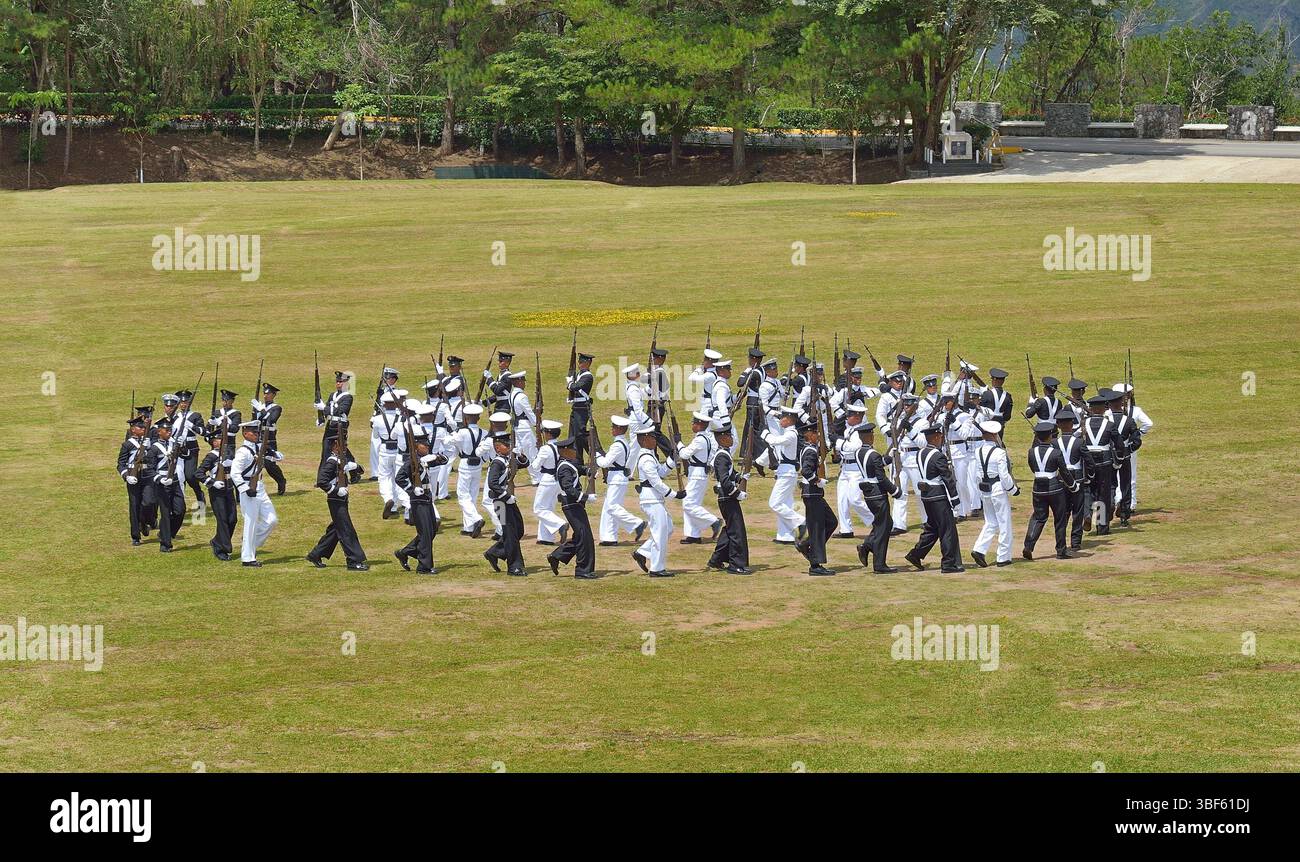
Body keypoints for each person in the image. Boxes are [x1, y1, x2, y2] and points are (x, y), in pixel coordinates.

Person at [903, 422, 965, 573]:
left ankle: (916, 554)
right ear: (936, 437)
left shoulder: (920, 453)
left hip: (926, 495)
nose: (942, 439)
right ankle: (949, 563)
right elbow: (948, 479)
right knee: (947, 529)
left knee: (932, 528)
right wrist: (955, 499)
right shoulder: (938, 456)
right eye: (940, 436)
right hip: (938, 496)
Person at [632, 423, 686, 577]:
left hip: (655, 499)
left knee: (667, 528)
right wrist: (674, 494)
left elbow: (661, 472)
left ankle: (642, 552)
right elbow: (656, 482)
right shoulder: (646, 459)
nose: (655, 440)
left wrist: (670, 458)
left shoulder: (650, 455)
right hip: (651, 499)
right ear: (644, 439)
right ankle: (657, 568)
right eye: (653, 437)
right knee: (659, 532)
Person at [307, 436, 368, 571]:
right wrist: (335, 490)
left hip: (342, 499)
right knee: (346, 530)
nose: (345, 448)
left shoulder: (341, 461)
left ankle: (316, 554)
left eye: (346, 445)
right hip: (336, 499)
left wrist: (356, 466)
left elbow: (361, 471)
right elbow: (321, 481)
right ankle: (353, 561)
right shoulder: (331, 462)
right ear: (334, 447)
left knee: (336, 529)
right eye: (342, 445)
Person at [1023, 420, 1075, 560]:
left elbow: (1033, 468)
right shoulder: (1056, 453)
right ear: (1050, 436)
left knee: (1038, 518)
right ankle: (1061, 550)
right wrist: (1073, 486)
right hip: (1055, 489)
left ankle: (1028, 546)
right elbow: (1064, 472)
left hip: (1038, 488)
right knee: (1060, 519)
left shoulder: (1031, 452)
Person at [970, 420, 1019, 568]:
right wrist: (1013, 489)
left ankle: (979, 549)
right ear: (995, 434)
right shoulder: (999, 453)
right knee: (1004, 523)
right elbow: (1004, 476)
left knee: (990, 521)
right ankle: (1003, 556)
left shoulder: (978, 450)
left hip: (984, 488)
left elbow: (977, 473)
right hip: (997, 488)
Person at [395, 434, 445, 575]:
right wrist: (412, 490)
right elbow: (399, 478)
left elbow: (443, 460)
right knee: (425, 533)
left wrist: (437, 457)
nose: (427, 447)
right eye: (425, 445)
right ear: (417, 446)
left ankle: (405, 552)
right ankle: (424, 566)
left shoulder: (424, 460)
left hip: (427, 498)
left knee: (432, 529)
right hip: (418, 500)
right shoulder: (412, 461)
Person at [853, 423, 901, 573]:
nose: (873, 436)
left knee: (885, 523)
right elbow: (881, 477)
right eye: (872, 435)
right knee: (882, 527)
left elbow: (874, 465)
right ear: (868, 436)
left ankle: (867, 545)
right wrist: (895, 491)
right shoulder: (873, 454)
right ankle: (879, 564)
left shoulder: (859, 452)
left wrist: (888, 458)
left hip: (868, 492)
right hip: (878, 493)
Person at [548, 437, 598, 579]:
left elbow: (577, 469)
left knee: (580, 536)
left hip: (574, 505)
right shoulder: (564, 468)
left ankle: (556, 556)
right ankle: (583, 570)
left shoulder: (567, 464)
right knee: (584, 537)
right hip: (572, 505)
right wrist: (585, 497)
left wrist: (588, 470)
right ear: (564, 451)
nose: (575, 451)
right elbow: (568, 488)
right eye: (572, 449)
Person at [230, 419, 278, 567]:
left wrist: (272, 452)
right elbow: (234, 473)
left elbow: (279, 457)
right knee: (250, 523)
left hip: (260, 487)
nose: (256, 434)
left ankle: (250, 544)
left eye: (258, 432)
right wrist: (244, 489)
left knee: (272, 520)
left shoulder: (259, 448)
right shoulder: (243, 452)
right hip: (248, 488)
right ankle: (247, 558)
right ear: (245, 433)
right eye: (253, 432)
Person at [595, 415, 646, 546]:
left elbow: (605, 463)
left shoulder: (617, 445)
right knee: (609, 508)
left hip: (617, 478)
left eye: (613, 427)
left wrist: (597, 456)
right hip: (617, 478)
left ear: (618, 429)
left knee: (612, 507)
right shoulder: (624, 442)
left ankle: (637, 523)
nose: (611, 429)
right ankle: (609, 537)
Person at [707, 423, 750, 574]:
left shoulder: (724, 454)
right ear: (721, 438)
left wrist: (740, 476)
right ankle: (735, 564)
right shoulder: (722, 456)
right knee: (736, 531)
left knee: (730, 529)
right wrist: (737, 493)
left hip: (727, 497)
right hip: (727, 497)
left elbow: (729, 475)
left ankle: (717, 559)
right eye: (729, 436)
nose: (731, 438)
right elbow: (724, 481)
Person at [795, 420, 837, 576]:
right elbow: (806, 471)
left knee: (831, 521)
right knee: (818, 528)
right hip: (812, 493)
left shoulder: (811, 449)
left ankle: (806, 544)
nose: (818, 435)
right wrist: (818, 481)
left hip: (814, 494)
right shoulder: (810, 451)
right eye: (815, 433)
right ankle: (815, 565)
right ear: (809, 435)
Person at [484, 432, 528, 576]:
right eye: (506, 445)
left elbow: (525, 463)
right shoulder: (497, 463)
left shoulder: (507, 459)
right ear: (497, 448)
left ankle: (495, 552)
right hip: (500, 502)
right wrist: (505, 495)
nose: (509, 447)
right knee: (510, 533)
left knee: (518, 529)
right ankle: (514, 566)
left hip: (507, 500)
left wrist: (520, 455)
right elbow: (492, 483)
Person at [677, 410, 721, 544]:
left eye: (694, 423)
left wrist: (678, 443)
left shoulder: (700, 440)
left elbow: (684, 454)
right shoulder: (707, 439)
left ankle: (713, 521)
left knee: (688, 504)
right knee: (693, 504)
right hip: (697, 473)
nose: (692, 425)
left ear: (700, 425)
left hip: (697, 474)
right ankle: (693, 534)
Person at [1081, 394, 1122, 535]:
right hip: (1104, 461)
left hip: (1088, 461)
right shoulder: (1109, 425)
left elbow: (1075, 438)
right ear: (1104, 409)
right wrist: (1119, 460)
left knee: (1087, 489)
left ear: (1091, 409)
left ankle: (1087, 514)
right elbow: (1119, 445)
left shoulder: (1083, 423)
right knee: (1103, 493)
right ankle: (1101, 526)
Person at [450, 403, 492, 536]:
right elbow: (486, 455)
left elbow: (450, 442)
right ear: (478, 418)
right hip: (478, 465)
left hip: (465, 464)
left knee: (462, 495)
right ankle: (469, 527)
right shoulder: (484, 432)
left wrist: (454, 432)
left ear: (466, 418)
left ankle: (476, 519)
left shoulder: (462, 432)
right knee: (472, 496)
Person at [833, 403, 873, 538]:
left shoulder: (860, 432)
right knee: (842, 499)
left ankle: (878, 521)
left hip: (856, 469)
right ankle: (845, 529)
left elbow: (854, 447)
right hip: (845, 468)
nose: (846, 417)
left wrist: (838, 443)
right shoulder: (848, 430)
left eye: (849, 415)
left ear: (857, 417)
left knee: (854, 499)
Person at [1111, 382, 1152, 510]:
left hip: (1111, 449)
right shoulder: (1136, 410)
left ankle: (1117, 499)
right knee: (1130, 476)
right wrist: (1138, 434)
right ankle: (1131, 503)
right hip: (1128, 448)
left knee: (1113, 476)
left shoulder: (1108, 413)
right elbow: (1148, 424)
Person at [197, 433, 237, 561]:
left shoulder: (229, 453)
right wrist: (212, 482)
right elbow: (199, 473)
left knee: (232, 519)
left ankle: (217, 541)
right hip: (217, 491)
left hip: (229, 489)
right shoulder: (211, 456)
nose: (222, 441)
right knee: (223, 519)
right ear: (214, 443)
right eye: (219, 439)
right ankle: (222, 548)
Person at [149, 417, 187, 553]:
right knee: (165, 513)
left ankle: (169, 533)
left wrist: (182, 446)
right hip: (162, 483)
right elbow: (150, 469)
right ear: (159, 431)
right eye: (166, 430)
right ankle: (165, 544)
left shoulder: (174, 444)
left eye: (170, 430)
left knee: (180, 509)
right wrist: (159, 478)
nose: (169, 432)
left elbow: (186, 456)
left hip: (175, 481)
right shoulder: (154, 448)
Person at [1055, 412, 1090, 551]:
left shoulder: (1053, 443)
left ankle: (1061, 541)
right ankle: (1076, 541)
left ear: (1058, 426)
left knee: (1063, 512)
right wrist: (1090, 475)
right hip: (1077, 477)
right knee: (1078, 510)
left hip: (1060, 478)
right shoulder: (1079, 442)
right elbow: (1088, 461)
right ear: (1071, 425)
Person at [531, 419, 570, 545]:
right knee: (548, 508)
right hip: (557, 480)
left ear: (548, 434)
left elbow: (535, 466)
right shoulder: (561, 446)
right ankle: (545, 537)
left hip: (547, 480)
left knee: (538, 509)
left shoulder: (545, 449)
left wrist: (537, 454)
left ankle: (560, 525)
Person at [117, 415, 153, 546]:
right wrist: (126, 475)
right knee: (134, 505)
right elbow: (120, 464)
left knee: (149, 502)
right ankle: (135, 536)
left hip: (147, 475)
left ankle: (144, 522)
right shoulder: (127, 445)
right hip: (133, 476)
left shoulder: (148, 443)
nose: (143, 429)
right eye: (140, 427)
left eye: (144, 427)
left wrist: (150, 449)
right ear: (133, 430)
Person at [372, 391, 408, 520]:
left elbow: (376, 436)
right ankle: (404, 505)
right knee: (399, 478)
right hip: (398, 452)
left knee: (384, 477)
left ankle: (389, 499)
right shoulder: (401, 418)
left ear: (384, 405)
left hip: (384, 451)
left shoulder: (377, 419)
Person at [250, 383, 287, 495]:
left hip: (269, 438)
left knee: (269, 464)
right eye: (264, 394)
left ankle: (281, 480)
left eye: (268, 394)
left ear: (274, 395)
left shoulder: (276, 408)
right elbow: (255, 422)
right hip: (257, 437)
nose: (265, 396)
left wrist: (262, 411)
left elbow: (271, 420)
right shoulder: (259, 407)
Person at [173, 389, 207, 512]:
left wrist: (191, 425)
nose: (183, 404)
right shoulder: (175, 416)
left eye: (185, 402)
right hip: (177, 449)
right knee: (179, 476)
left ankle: (199, 494)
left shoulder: (195, 416)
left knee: (190, 475)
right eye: (181, 402)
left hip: (191, 448)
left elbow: (204, 432)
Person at [566, 352, 596, 467]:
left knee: (580, 434)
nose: (579, 364)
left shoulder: (588, 376)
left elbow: (575, 387)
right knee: (573, 434)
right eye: (579, 362)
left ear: (588, 363)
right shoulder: (579, 374)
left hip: (583, 408)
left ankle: (593, 454)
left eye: (582, 362)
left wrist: (569, 383)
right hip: (576, 407)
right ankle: (577, 460)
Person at [317, 371, 354, 464]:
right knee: (326, 449)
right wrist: (321, 418)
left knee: (341, 450)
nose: (338, 383)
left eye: (341, 382)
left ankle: (354, 469)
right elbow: (327, 409)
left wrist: (324, 408)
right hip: (330, 425)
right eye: (337, 381)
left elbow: (340, 411)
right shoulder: (332, 395)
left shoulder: (348, 397)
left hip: (340, 426)